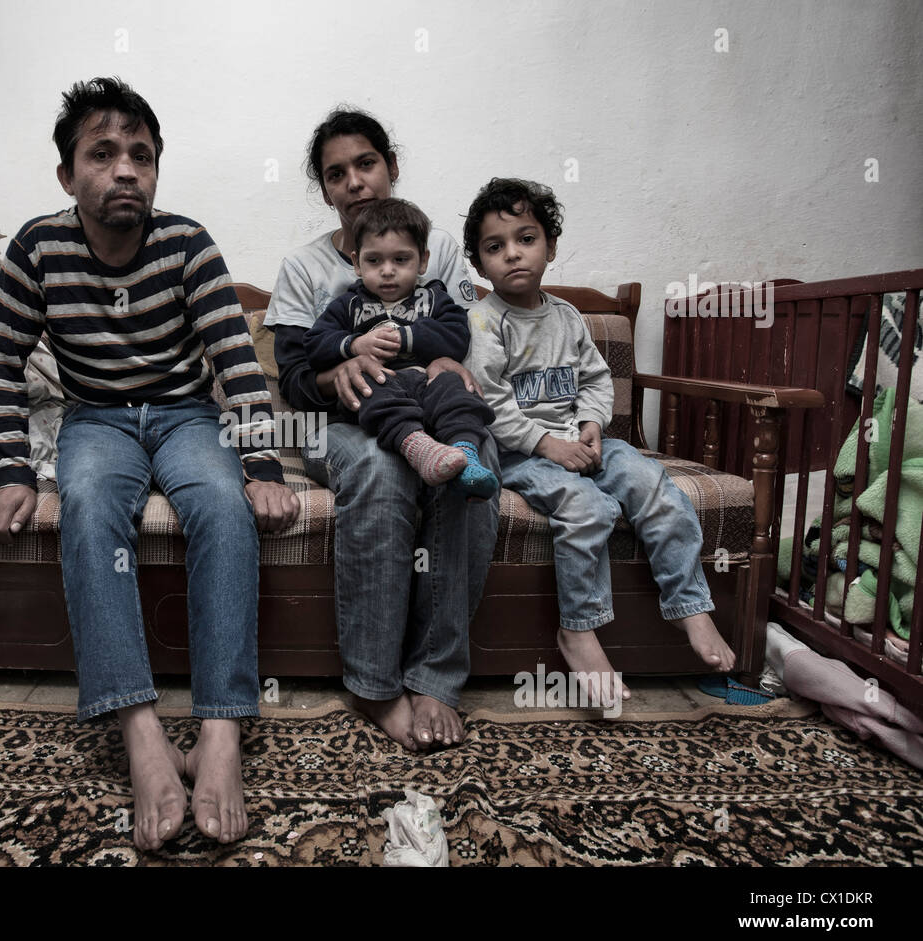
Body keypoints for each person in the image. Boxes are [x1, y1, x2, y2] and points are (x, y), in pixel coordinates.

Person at [0, 77, 300, 852]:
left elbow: (234, 361)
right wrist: (13, 471)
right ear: (66, 175)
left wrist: (262, 464)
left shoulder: (187, 244)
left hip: (189, 415)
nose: (126, 170)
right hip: (98, 421)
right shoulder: (36, 249)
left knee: (223, 507)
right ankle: (141, 731)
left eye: (142, 156)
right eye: (103, 153)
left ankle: (220, 731)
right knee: (84, 502)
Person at [265, 109, 499, 751]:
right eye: (335, 174)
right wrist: (334, 374)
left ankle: (434, 678)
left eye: (366, 164)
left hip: (428, 403)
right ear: (325, 189)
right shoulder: (307, 269)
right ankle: (373, 684)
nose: (354, 182)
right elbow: (291, 375)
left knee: (470, 461)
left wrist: (447, 356)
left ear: (391, 168)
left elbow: (458, 334)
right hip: (335, 422)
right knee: (377, 467)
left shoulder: (440, 249)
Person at [461, 177, 736, 705]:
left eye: (526, 238)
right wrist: (548, 446)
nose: (513, 254)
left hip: (584, 442)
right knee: (587, 508)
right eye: (495, 247)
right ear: (478, 264)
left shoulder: (567, 317)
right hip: (522, 453)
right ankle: (579, 629)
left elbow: (594, 379)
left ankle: (690, 607)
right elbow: (489, 404)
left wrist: (591, 422)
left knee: (651, 482)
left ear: (551, 246)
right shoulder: (482, 321)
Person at [303, 197, 498, 496]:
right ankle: (417, 446)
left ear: (422, 260)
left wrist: (409, 337)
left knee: (454, 386)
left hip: (425, 383)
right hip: (380, 386)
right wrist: (354, 345)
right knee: (366, 383)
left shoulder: (435, 300)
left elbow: (458, 335)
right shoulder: (349, 305)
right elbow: (315, 344)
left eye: (401, 259)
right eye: (374, 260)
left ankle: (465, 453)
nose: (387, 271)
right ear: (356, 263)